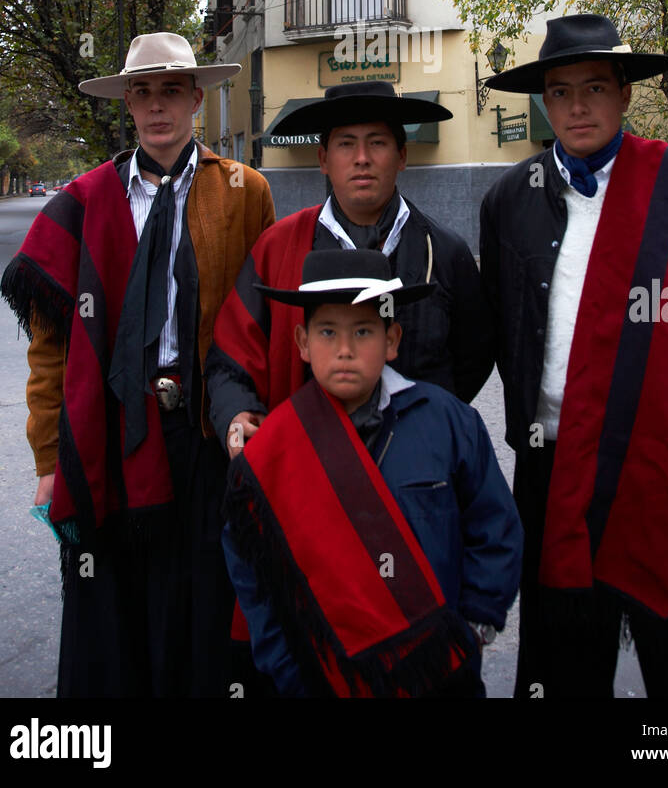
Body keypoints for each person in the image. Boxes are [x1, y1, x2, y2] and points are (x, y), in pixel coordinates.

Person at [479, 14, 668, 699]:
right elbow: (498, 329)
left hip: (664, 467)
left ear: (623, 94)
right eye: (560, 91)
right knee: (564, 667)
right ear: (544, 101)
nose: (577, 105)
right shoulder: (508, 201)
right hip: (554, 471)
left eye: (594, 87)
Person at [0, 32, 275, 697]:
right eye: (143, 93)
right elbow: (49, 349)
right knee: (111, 596)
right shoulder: (84, 201)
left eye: (172, 92)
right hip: (109, 429)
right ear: (127, 103)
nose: (158, 109)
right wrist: (46, 460)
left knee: (204, 591)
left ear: (196, 99)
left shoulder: (244, 192)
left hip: (205, 429)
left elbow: (260, 322)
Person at [221, 248, 523, 698]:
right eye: (327, 332)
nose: (344, 350)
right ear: (303, 343)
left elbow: (495, 528)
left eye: (363, 331)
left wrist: (474, 628)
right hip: (322, 681)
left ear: (392, 339)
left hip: (441, 673)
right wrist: (292, 668)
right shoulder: (273, 451)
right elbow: (254, 572)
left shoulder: (450, 423)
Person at [206, 80, 494, 458]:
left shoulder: (443, 252)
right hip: (310, 463)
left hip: (422, 462)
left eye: (377, 142)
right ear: (324, 160)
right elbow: (232, 354)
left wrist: (430, 422)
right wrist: (237, 412)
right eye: (346, 144)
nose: (362, 158)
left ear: (401, 156)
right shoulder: (277, 250)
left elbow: (473, 356)